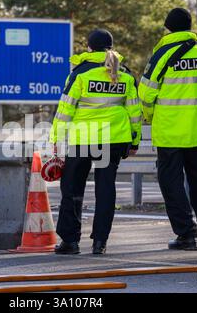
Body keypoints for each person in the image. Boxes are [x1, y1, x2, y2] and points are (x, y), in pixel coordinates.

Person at [138, 8, 197, 249]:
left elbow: (145, 94)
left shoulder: (161, 55)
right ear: (189, 27)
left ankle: (186, 234)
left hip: (169, 133)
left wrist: (149, 116)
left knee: (172, 184)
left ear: (168, 28)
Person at [49, 29, 142, 255]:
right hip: (114, 139)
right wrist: (134, 141)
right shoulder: (125, 75)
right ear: (110, 47)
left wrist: (56, 139)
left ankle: (70, 241)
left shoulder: (79, 74)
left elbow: (65, 110)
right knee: (105, 190)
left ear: (89, 47)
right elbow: (135, 112)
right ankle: (100, 242)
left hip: (83, 139)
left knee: (72, 189)